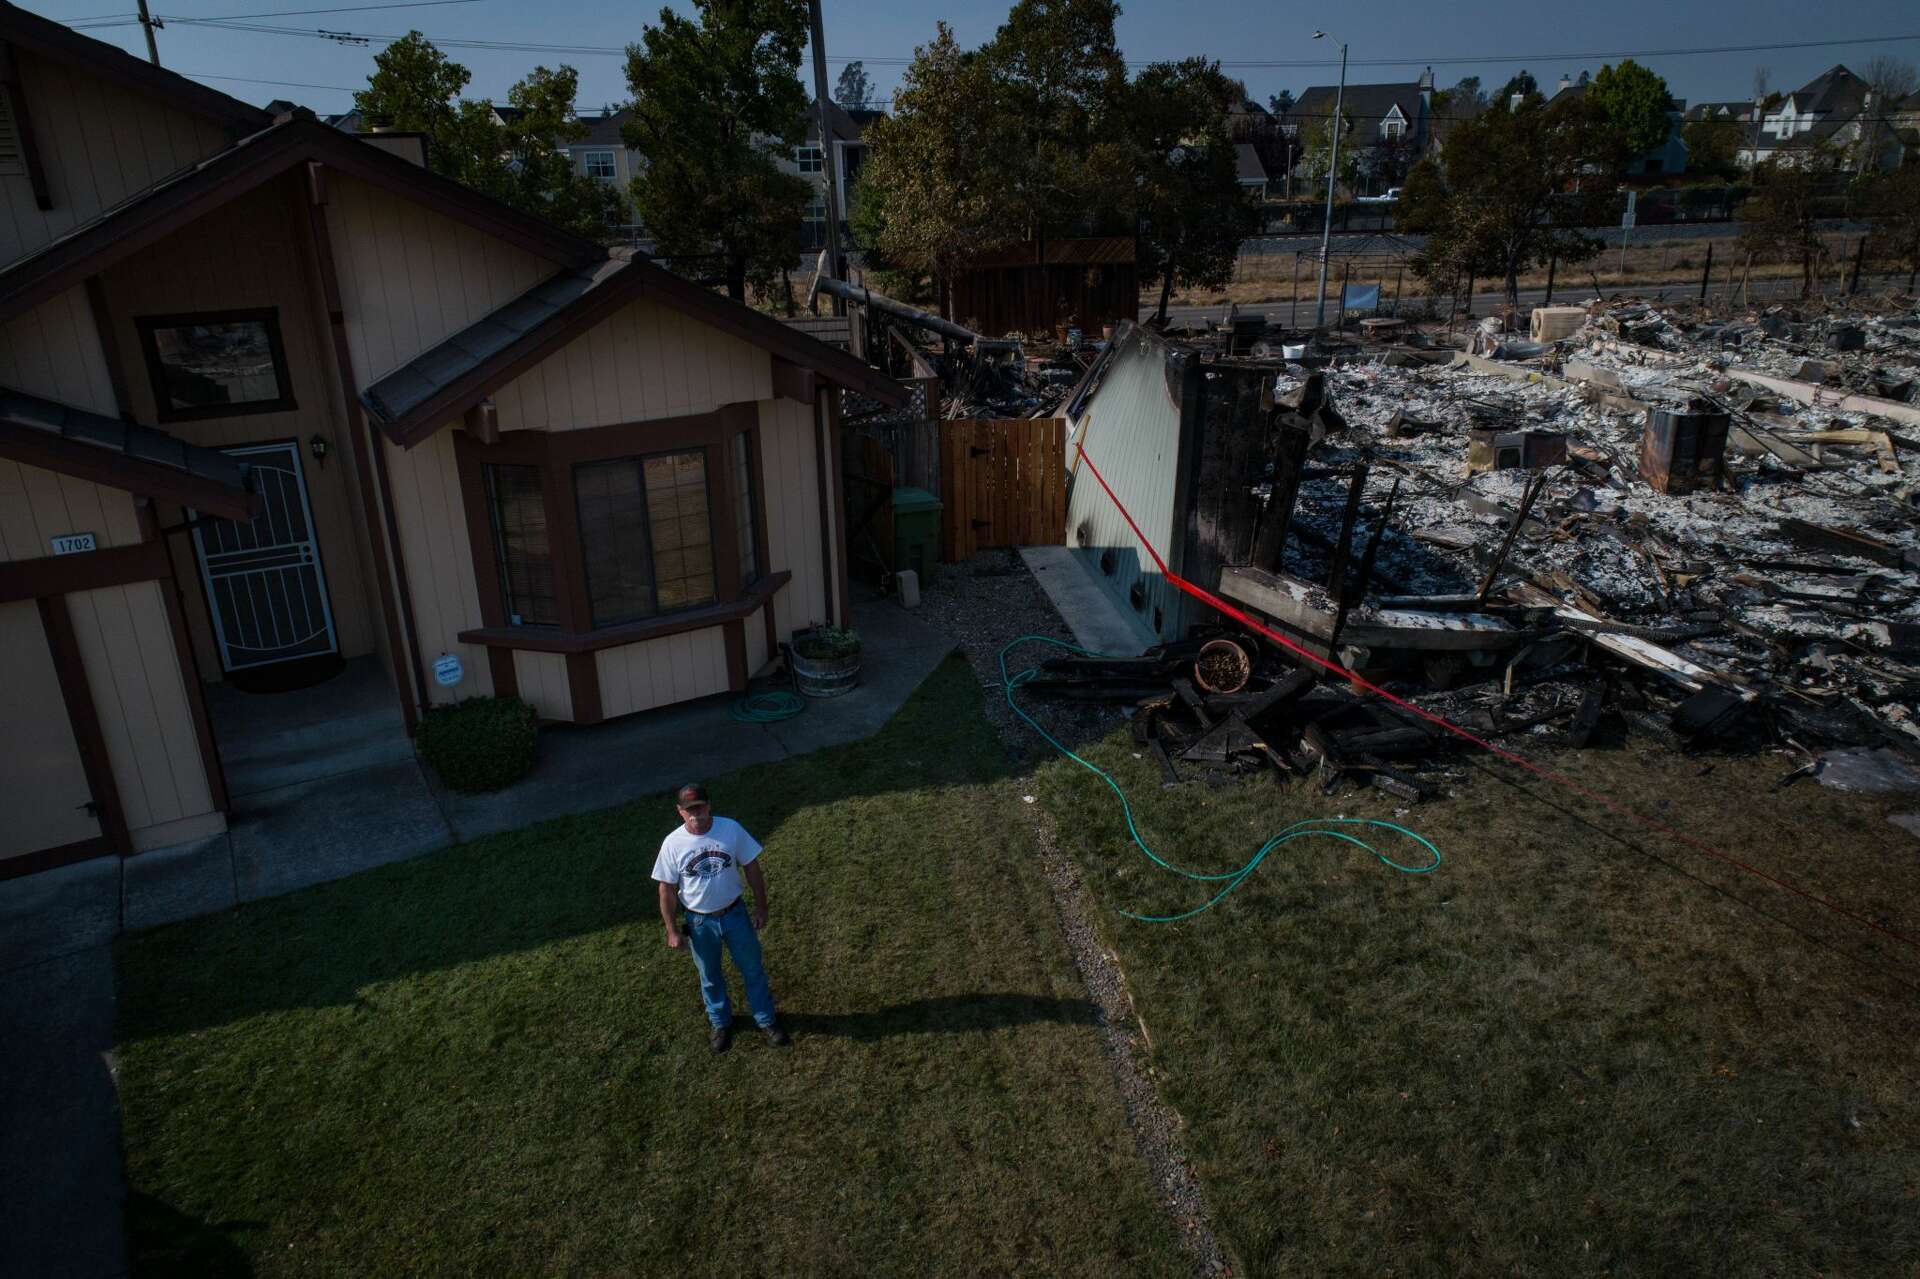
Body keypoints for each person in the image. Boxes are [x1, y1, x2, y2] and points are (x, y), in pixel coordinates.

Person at [652, 782, 789, 1053]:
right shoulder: (672, 843)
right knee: (710, 975)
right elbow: (666, 888)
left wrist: (761, 908)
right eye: (689, 810)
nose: (696, 814)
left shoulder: (730, 829)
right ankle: (720, 1023)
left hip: (735, 914)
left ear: (708, 805)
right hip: (699, 923)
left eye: (700, 807)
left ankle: (766, 1020)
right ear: (680, 811)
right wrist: (671, 931)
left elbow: (752, 867)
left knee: (752, 969)